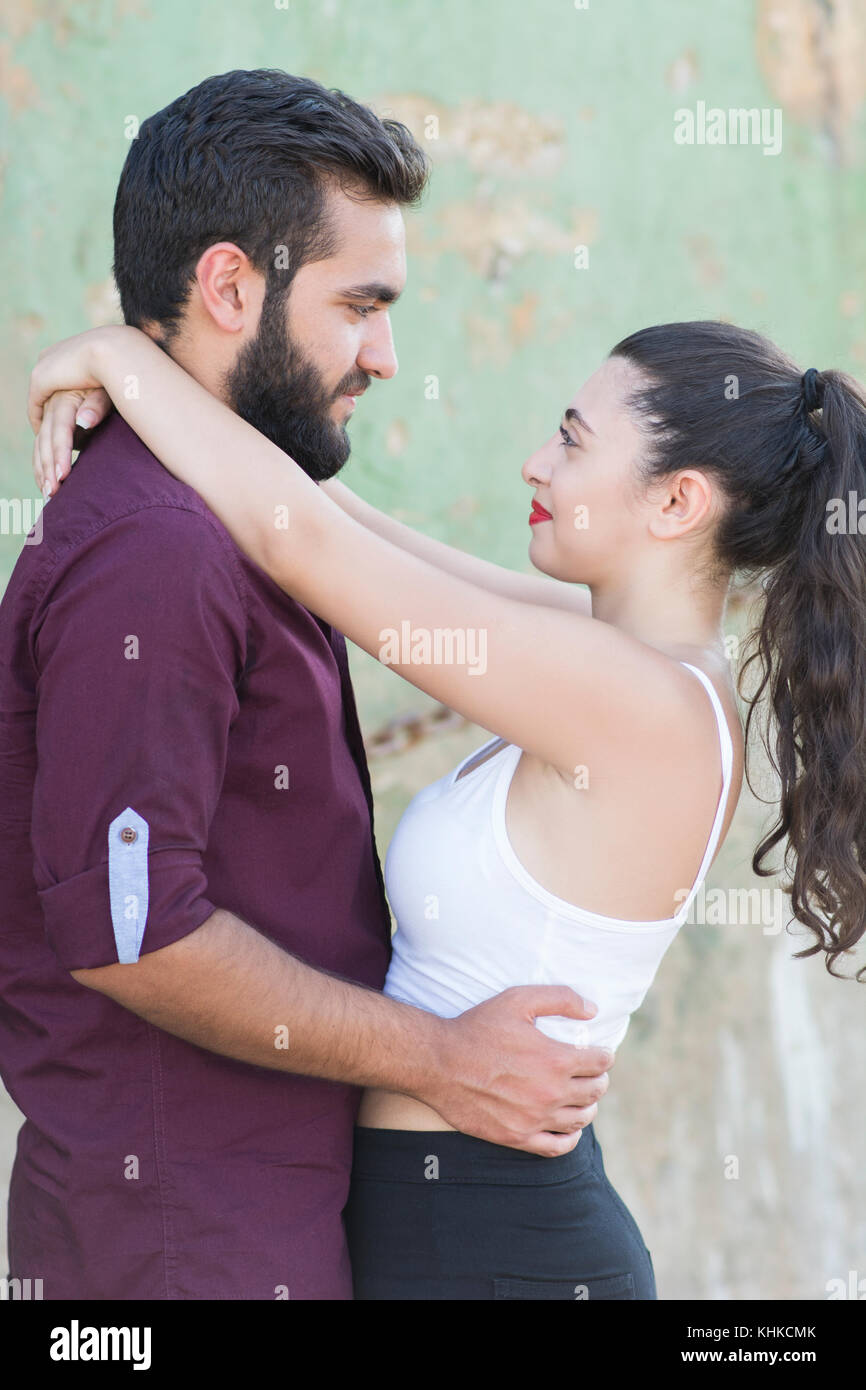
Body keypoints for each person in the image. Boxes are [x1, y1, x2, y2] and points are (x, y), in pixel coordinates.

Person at [29, 316, 866, 1300]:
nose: (534, 463)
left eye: (570, 439)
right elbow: (340, 524)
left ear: (676, 499)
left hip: (489, 1245)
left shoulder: (639, 703)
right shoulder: (617, 655)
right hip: (453, 1219)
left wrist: (113, 358)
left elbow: (300, 547)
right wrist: (163, 392)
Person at [0, 70, 612, 1304]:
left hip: (261, 1211)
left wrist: (125, 356)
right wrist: (439, 1057)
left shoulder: (247, 516)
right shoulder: (158, 551)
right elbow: (135, 932)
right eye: (361, 305)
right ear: (232, 285)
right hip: (177, 1244)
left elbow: (336, 538)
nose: (386, 355)